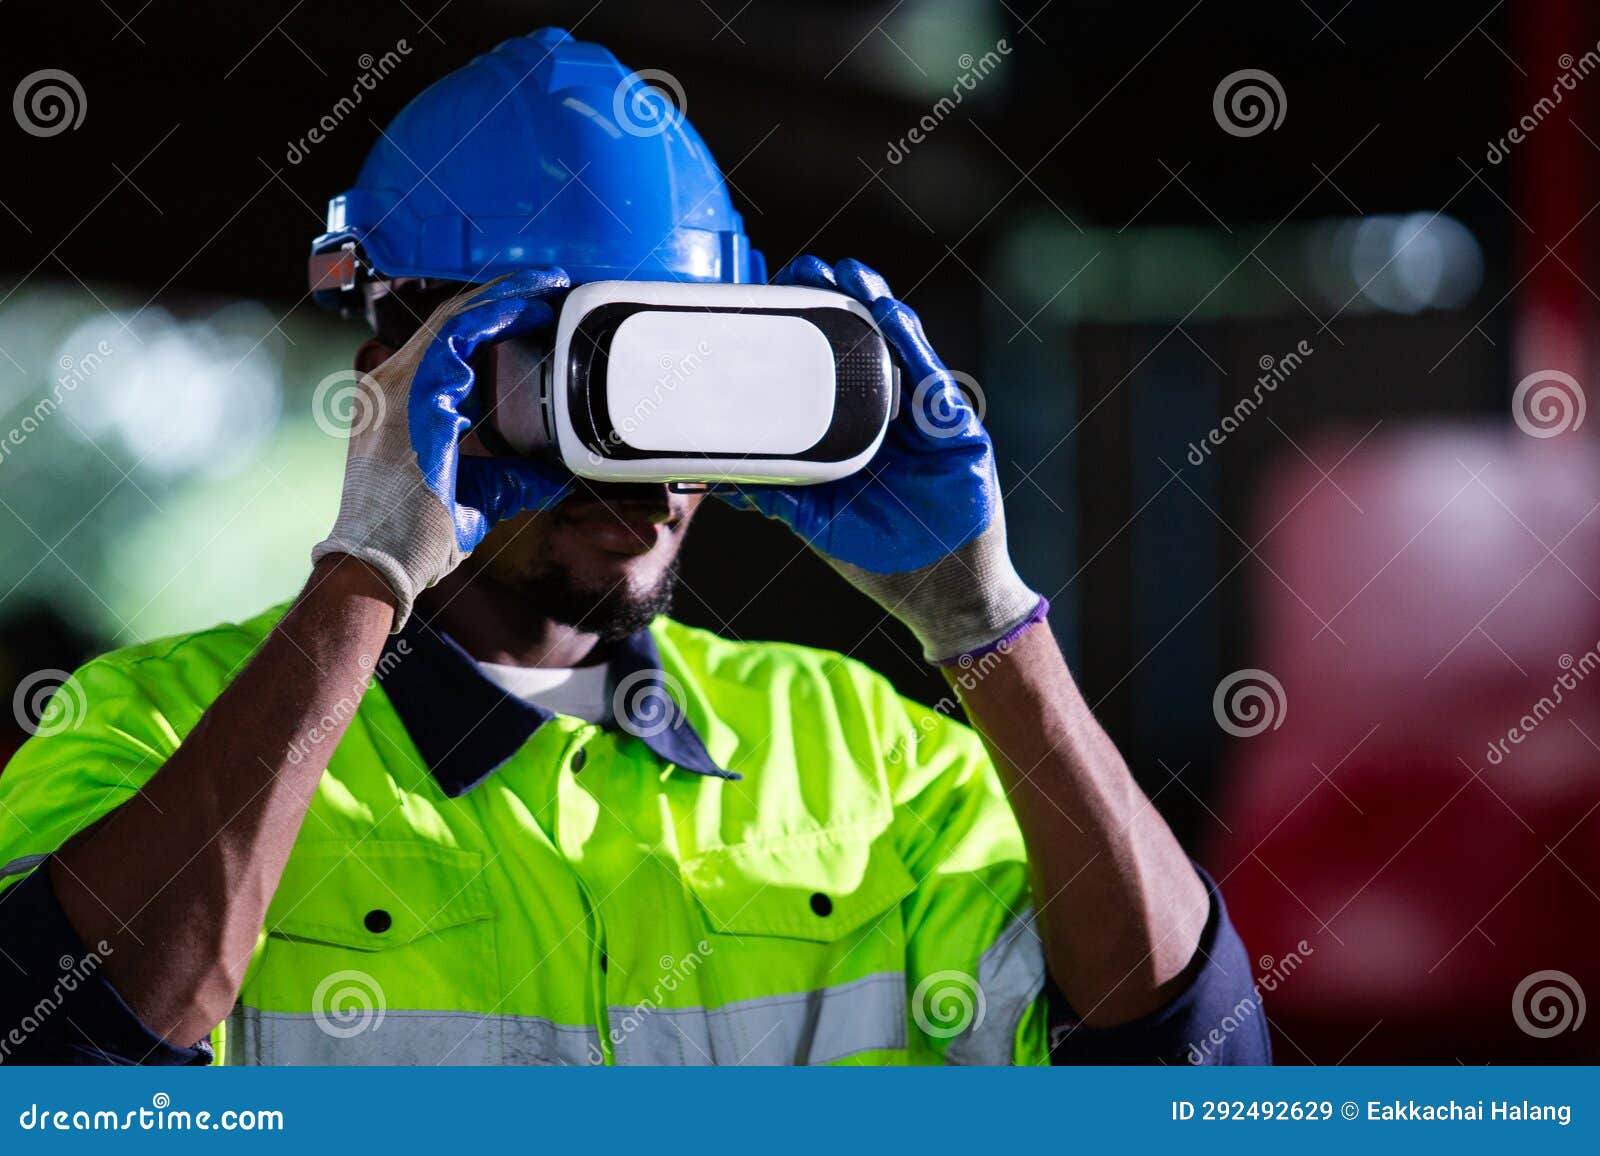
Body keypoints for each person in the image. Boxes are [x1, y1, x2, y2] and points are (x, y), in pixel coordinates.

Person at [0, 27, 1265, 1066]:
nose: (644, 470)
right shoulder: (149, 732)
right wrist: (367, 571)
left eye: (683, 372)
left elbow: (1188, 1073)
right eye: (570, 378)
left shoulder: (873, 758)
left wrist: (988, 629)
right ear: (390, 361)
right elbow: (62, 1073)